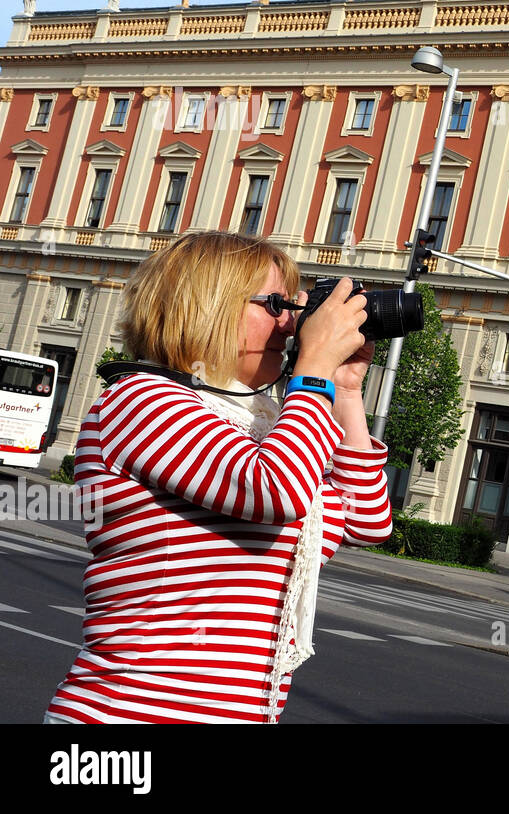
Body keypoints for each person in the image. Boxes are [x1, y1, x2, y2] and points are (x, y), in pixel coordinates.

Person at [44, 231, 391, 724]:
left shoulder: (268, 424)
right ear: (208, 309)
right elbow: (276, 491)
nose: (292, 324)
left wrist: (347, 390)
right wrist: (312, 369)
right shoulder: (142, 401)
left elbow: (366, 521)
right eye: (275, 305)